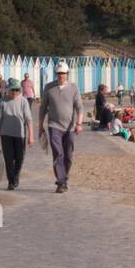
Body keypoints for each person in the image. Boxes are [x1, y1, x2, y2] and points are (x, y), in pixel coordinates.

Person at [39, 63, 83, 193]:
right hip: (54, 126)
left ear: (67, 74)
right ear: (56, 74)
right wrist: (40, 126)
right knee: (58, 154)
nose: (61, 76)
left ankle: (64, 177)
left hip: (70, 128)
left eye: (63, 73)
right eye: (58, 73)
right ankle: (61, 182)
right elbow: (42, 108)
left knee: (68, 156)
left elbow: (79, 107)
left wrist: (79, 124)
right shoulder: (48, 88)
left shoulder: (74, 88)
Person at [0, 79, 35, 190]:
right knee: (8, 158)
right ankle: (11, 181)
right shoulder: (3, 101)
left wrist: (31, 136)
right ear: (8, 90)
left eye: (17, 90)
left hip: (20, 134)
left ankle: (16, 176)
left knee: (19, 158)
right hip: (6, 134)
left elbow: (29, 119)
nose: (15, 92)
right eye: (13, 90)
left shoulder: (23, 101)